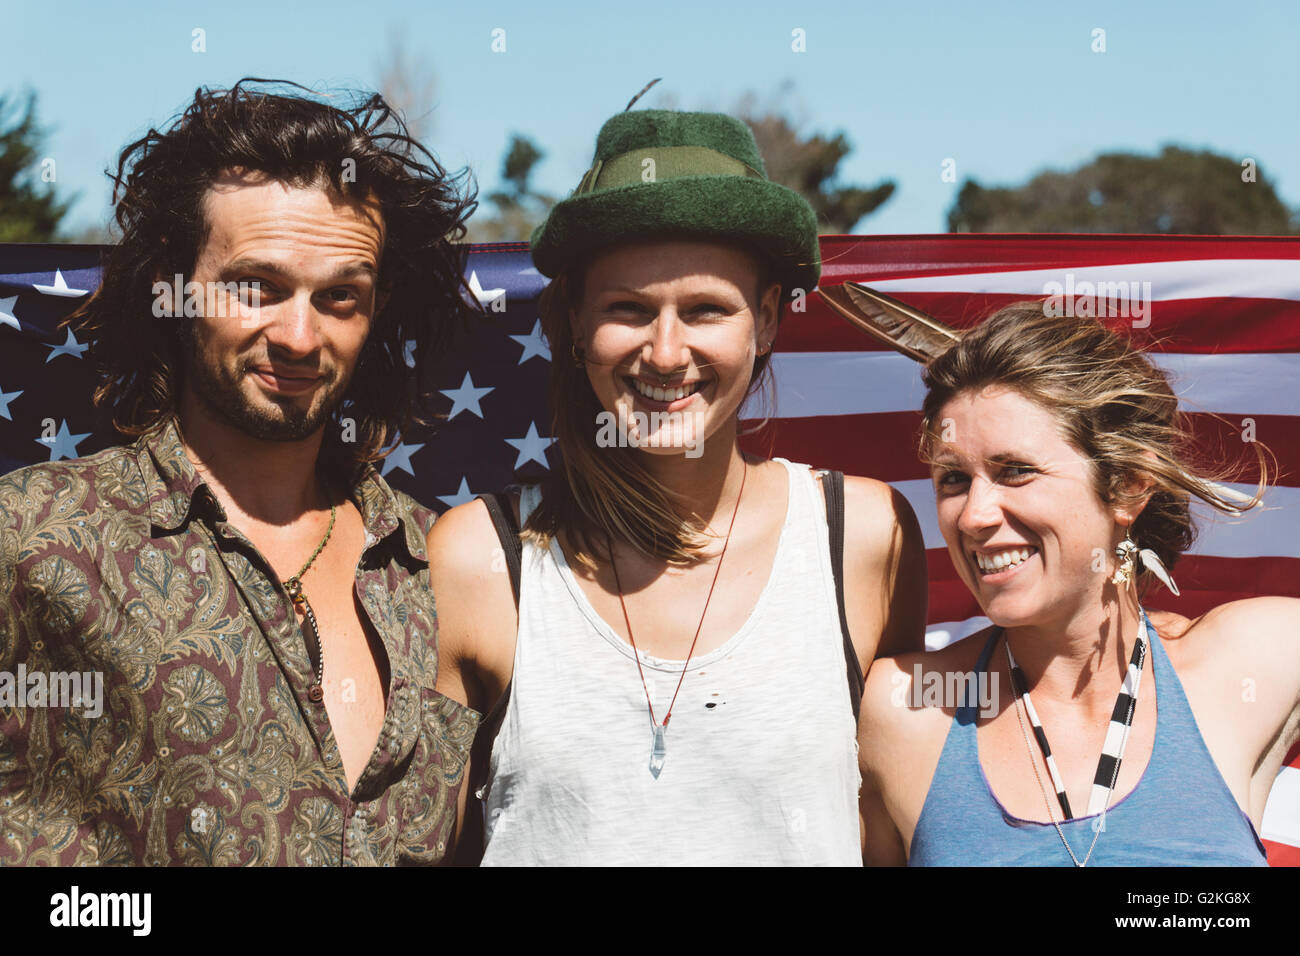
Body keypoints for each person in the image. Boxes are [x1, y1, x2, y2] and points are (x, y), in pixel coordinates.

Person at [430, 108, 928, 865]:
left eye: (705, 310)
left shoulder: (863, 536)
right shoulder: (478, 560)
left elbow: (888, 831)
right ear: (572, 325)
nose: (666, 353)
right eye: (627, 309)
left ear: (765, 321)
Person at [0, 80, 479, 865]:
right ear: (177, 284)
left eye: (339, 297)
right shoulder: (30, 539)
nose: (298, 333)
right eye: (256, 286)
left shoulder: (446, 567)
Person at [854, 303, 1300, 866]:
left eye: (1015, 470)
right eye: (954, 479)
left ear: (1130, 485)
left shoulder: (1257, 658)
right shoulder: (904, 708)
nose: (973, 516)